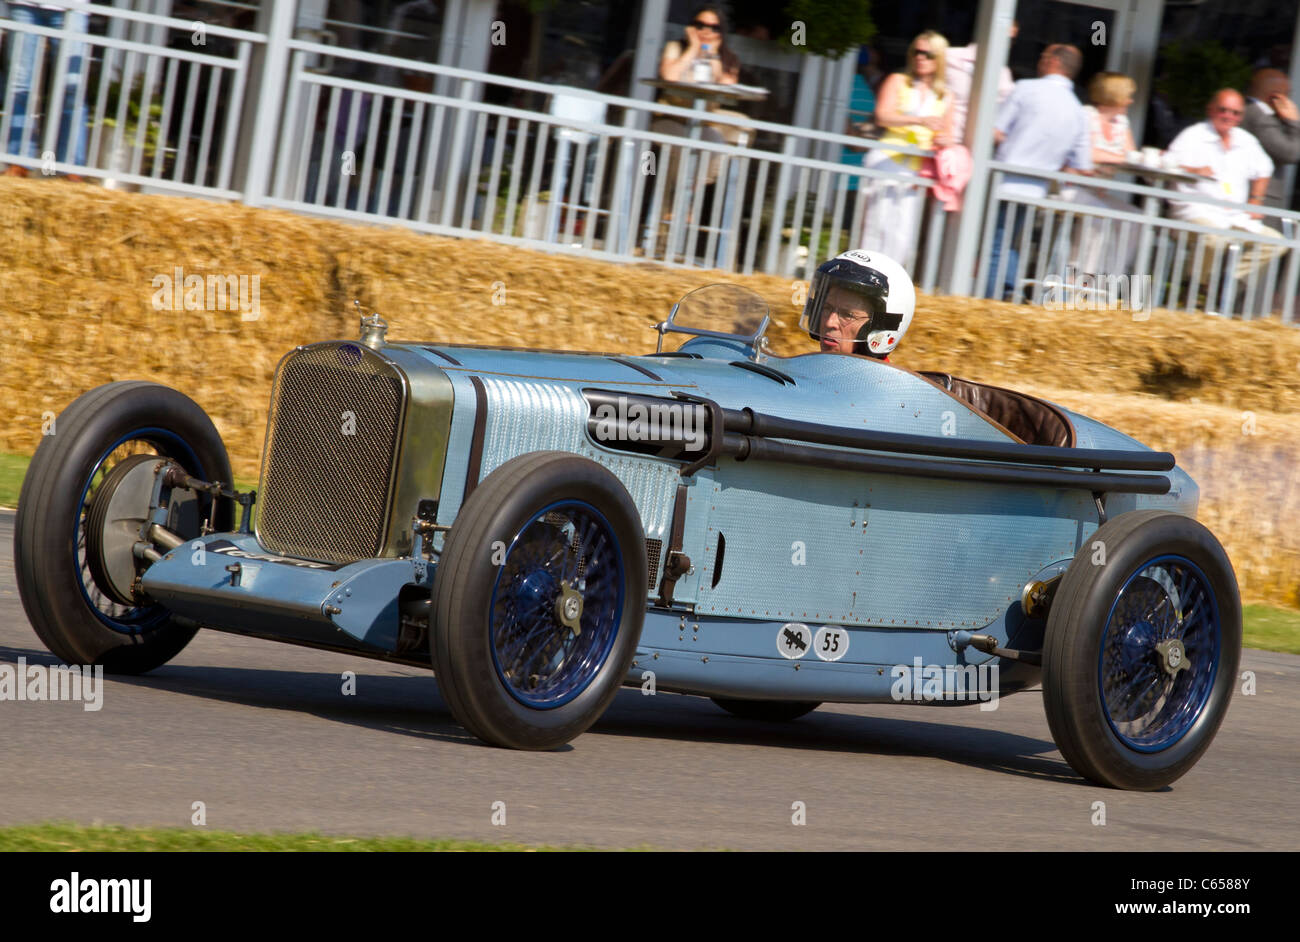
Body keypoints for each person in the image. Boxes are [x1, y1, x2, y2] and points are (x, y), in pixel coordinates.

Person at [985, 44, 1093, 299]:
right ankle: (1010, 290)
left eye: (1043, 56)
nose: (1039, 61)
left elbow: (995, 130)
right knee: (1007, 242)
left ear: (1053, 62)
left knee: (996, 245)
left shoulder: (1026, 88)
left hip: (1005, 179)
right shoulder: (1078, 110)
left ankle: (998, 297)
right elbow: (1081, 165)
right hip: (1037, 189)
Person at [1165, 88, 1287, 289]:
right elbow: (1167, 163)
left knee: (1276, 242)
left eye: (1235, 113)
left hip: (1234, 217)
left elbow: (1264, 169)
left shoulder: (1246, 140)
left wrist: (1256, 200)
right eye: (1224, 110)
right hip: (1195, 212)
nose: (1229, 116)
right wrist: (1193, 170)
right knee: (1214, 238)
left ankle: (1228, 283)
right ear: (1211, 109)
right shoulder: (1193, 135)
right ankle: (1195, 286)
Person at [859, 31, 954, 272]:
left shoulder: (946, 95)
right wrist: (920, 120)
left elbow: (948, 134)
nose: (920, 57)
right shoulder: (898, 80)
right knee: (875, 228)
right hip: (886, 161)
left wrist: (943, 138)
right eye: (916, 52)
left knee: (902, 236)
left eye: (928, 53)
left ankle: (887, 287)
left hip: (915, 170)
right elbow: (883, 116)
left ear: (939, 59)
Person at [1061, 72, 1139, 277]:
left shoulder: (1121, 122)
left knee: (1134, 218)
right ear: (1114, 96)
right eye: (1127, 95)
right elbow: (1085, 152)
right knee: (1100, 214)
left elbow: (1130, 156)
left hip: (1096, 192)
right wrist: (1117, 156)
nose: (1130, 101)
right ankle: (1079, 280)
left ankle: (1111, 278)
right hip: (1070, 187)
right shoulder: (1086, 115)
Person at [2, 2, 90, 177]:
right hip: (25, 4)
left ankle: (72, 168)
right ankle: (19, 161)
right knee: (19, 85)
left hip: (72, 6)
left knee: (72, 88)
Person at [801, 249, 915, 361]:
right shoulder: (805, 370)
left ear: (877, 328)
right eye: (827, 308)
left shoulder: (882, 380)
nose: (829, 322)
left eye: (848, 315)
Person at [944, 20, 1017, 144]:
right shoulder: (949, 56)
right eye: (1003, 36)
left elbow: (1003, 113)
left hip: (977, 148)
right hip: (941, 140)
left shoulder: (1004, 74)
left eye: (1011, 40)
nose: (1007, 43)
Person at [1241, 68, 1300, 209]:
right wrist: (1294, 122)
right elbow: (1291, 153)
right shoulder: (1260, 116)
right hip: (1261, 199)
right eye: (1287, 94)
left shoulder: (1249, 111)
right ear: (1276, 97)